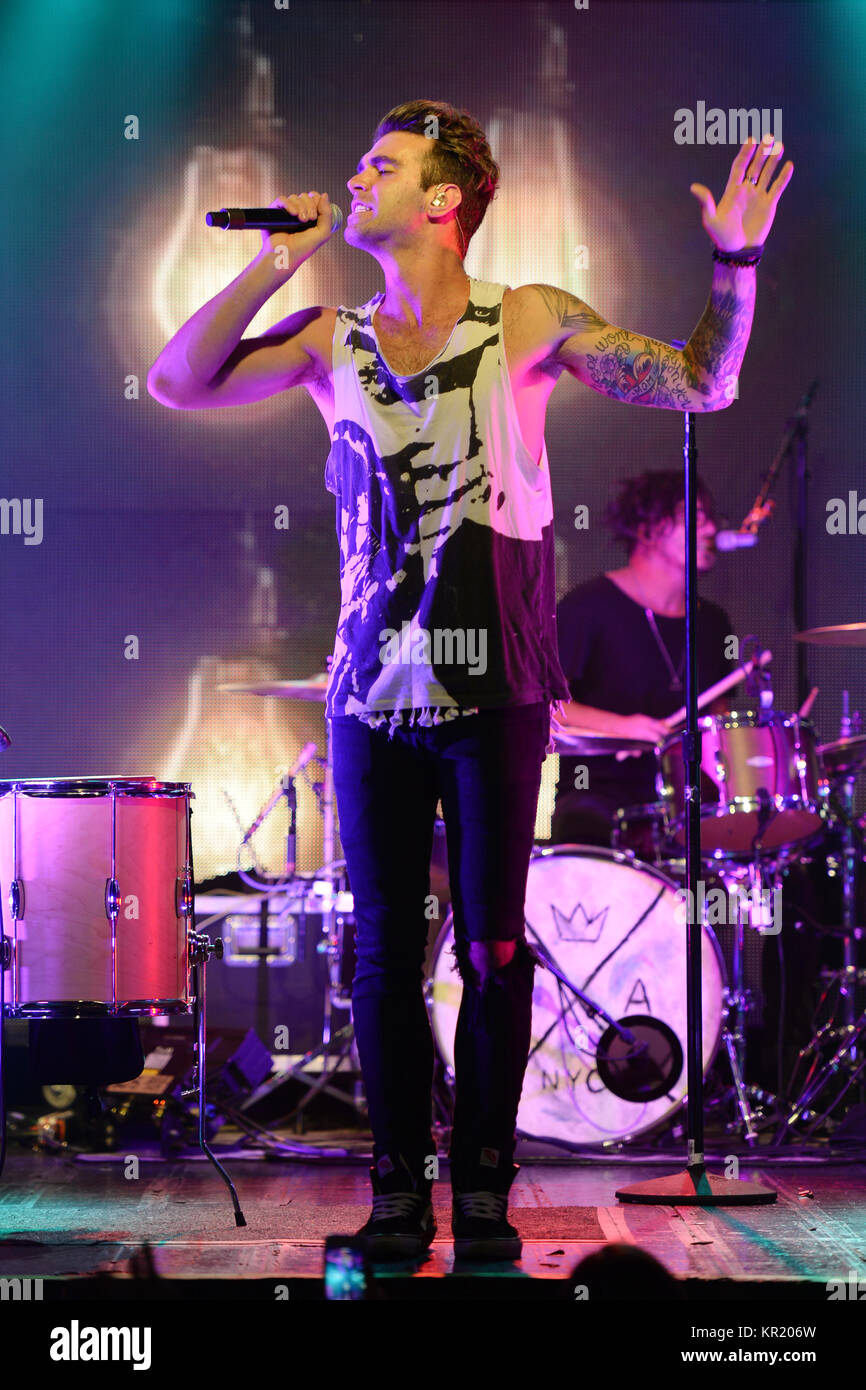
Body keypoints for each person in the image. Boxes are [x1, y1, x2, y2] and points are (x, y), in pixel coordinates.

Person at [147, 100, 792, 1261]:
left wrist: (734, 265)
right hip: (370, 696)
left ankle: (484, 1196)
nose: (354, 179)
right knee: (386, 954)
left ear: (441, 200)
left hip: (495, 687)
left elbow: (700, 383)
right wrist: (270, 263)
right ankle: (397, 1196)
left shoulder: (525, 318)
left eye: (378, 166)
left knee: (494, 947)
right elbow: (175, 382)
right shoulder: (323, 336)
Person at [551, 469, 733, 852]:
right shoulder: (587, 608)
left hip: (686, 800)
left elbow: (717, 721)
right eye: (696, 517)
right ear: (648, 530)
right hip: (599, 797)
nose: (710, 529)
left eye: (710, 518)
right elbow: (546, 707)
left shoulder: (713, 622)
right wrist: (621, 727)